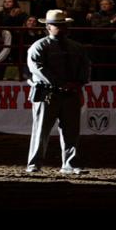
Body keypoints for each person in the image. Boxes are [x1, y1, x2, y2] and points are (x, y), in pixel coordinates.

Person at [23, 10, 92, 175]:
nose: (61, 28)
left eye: (63, 25)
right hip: (50, 92)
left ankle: (66, 164)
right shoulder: (42, 46)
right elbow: (37, 69)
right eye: (57, 25)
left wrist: (77, 83)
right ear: (48, 27)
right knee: (43, 130)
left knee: (69, 131)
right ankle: (37, 164)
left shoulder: (43, 46)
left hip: (62, 92)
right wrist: (68, 84)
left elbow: (85, 67)